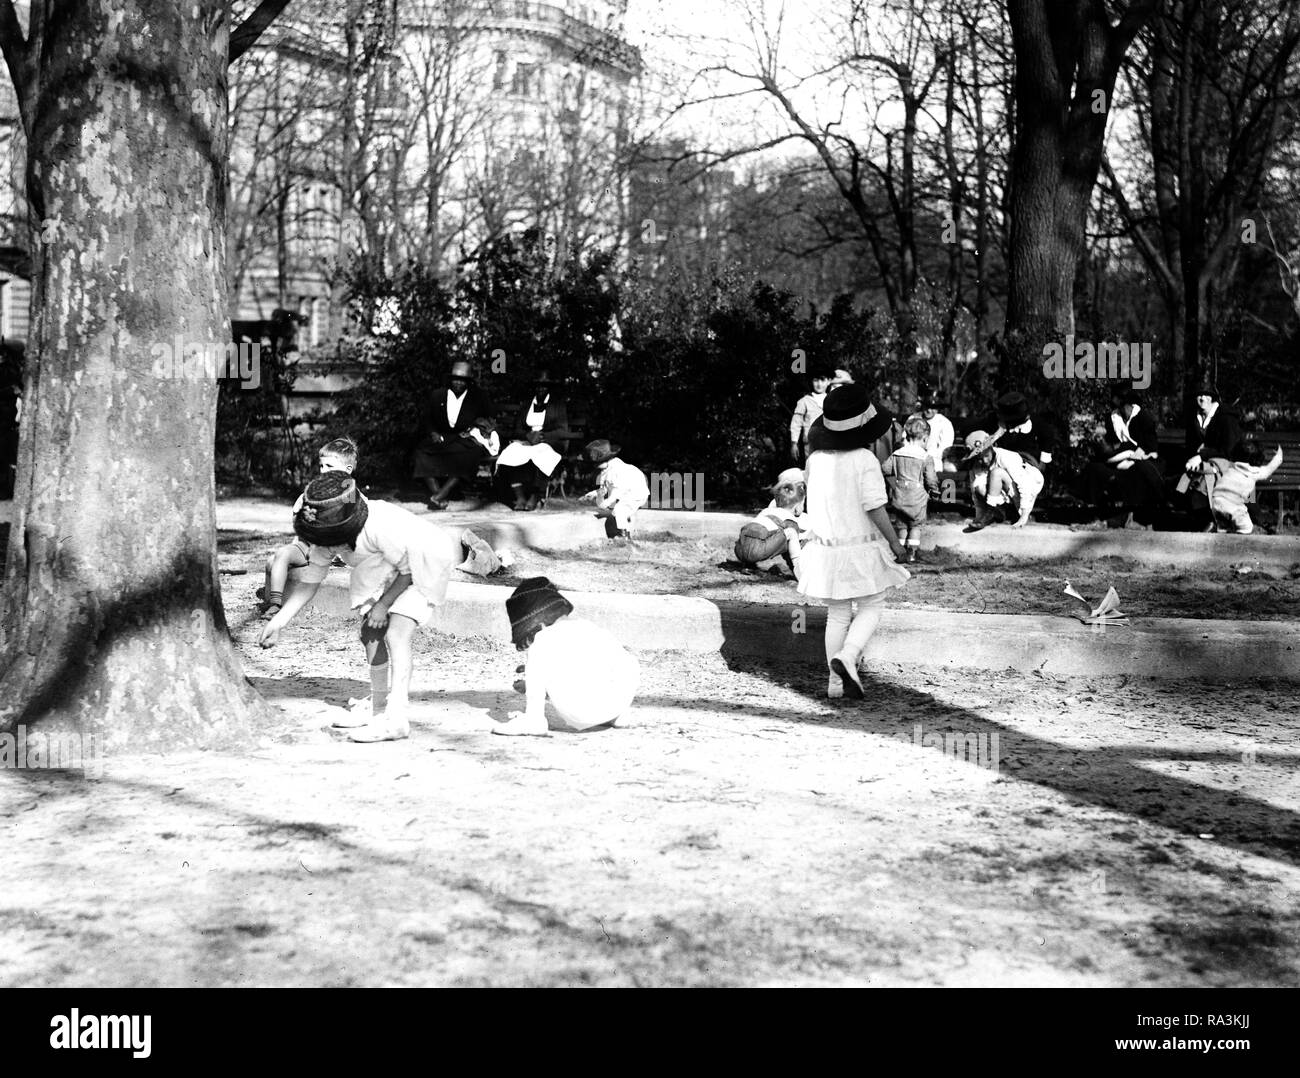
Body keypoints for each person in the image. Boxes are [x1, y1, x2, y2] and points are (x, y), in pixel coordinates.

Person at [257, 472, 463, 743]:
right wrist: (279, 621)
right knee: (370, 633)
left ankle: (397, 718)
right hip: (382, 563)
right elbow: (310, 584)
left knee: (396, 633)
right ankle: (378, 712)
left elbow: (408, 569)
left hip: (424, 557)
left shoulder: (380, 526)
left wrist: (383, 605)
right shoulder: (326, 538)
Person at [799, 383, 910, 700]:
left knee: (837, 614)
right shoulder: (864, 460)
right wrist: (895, 544)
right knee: (872, 605)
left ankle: (834, 685)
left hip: (827, 548)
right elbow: (874, 506)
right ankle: (849, 655)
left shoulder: (816, 460)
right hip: (860, 546)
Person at [493, 577, 641, 736]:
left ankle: (533, 720)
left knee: (539, 648)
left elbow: (567, 681)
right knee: (623, 658)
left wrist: (535, 679)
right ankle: (617, 715)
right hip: (616, 703)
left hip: (581, 712)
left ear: (537, 623)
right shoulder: (590, 628)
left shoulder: (544, 639)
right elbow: (585, 674)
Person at [258, 437, 358, 618]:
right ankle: (274, 603)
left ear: (347, 470)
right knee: (280, 556)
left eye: (329, 466)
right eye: (322, 466)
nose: (323, 471)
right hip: (306, 548)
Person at [413, 359, 495, 510]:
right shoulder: (438, 395)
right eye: (455, 379)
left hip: (464, 438)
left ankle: (442, 493)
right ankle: (437, 494)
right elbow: (427, 418)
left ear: (469, 382)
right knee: (421, 452)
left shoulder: (478, 397)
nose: (458, 383)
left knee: (471, 454)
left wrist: (475, 428)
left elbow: (488, 418)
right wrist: (433, 432)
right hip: (442, 437)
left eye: (462, 380)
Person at [1079, 390, 1165, 528]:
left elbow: (1150, 445)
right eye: (1117, 405)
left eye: (1122, 405)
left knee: (1138, 471)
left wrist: (1136, 455)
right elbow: (1112, 443)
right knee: (1095, 469)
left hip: (1143, 457)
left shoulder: (1144, 417)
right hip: (1119, 456)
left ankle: (1131, 516)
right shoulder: (1112, 418)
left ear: (1130, 404)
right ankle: (1098, 511)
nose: (1119, 409)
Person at [494, 370, 571, 510]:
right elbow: (517, 429)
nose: (540, 389)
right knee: (512, 452)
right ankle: (520, 497)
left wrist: (543, 436)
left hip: (549, 442)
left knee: (543, 454)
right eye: (538, 386)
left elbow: (562, 430)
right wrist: (527, 435)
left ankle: (535, 496)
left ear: (549, 388)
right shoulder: (526, 405)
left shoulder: (557, 405)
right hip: (528, 441)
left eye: (544, 386)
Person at [881, 416, 941, 561]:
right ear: (925, 438)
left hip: (900, 496)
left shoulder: (897, 454)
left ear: (907, 436)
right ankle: (912, 554)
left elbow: (885, 469)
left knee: (901, 525)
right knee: (916, 526)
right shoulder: (926, 458)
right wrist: (934, 490)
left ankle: (900, 553)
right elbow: (931, 479)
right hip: (917, 500)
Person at [732, 467, 810, 576]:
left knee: (760, 531)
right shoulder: (791, 516)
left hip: (740, 548)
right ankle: (799, 571)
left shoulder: (769, 509)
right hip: (758, 549)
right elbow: (787, 541)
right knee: (791, 534)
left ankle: (748, 565)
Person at [962, 429, 1044, 530]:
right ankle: (998, 513)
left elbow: (1024, 484)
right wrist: (979, 517)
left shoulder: (1006, 457)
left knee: (996, 473)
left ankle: (1009, 512)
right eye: (979, 458)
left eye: (986, 456)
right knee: (978, 486)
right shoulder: (976, 466)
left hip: (1029, 483)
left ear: (992, 448)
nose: (984, 461)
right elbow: (976, 494)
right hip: (1007, 486)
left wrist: (1024, 515)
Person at [1203, 443, 1284, 534]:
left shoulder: (1233, 467)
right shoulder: (1253, 472)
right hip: (1233, 505)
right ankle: (1237, 540)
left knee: (1224, 527)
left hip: (1216, 501)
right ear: (1258, 460)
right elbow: (1269, 469)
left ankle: (1216, 529)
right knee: (1247, 527)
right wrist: (1279, 456)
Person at [580, 439, 649, 539]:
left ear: (606, 460)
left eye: (597, 463)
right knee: (619, 510)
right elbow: (604, 487)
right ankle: (624, 530)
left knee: (619, 510)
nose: (595, 466)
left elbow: (616, 492)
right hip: (626, 492)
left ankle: (625, 536)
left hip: (637, 492)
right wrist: (594, 493)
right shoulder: (605, 470)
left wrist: (606, 503)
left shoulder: (618, 470)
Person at [789, 372, 830, 464]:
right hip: (811, 445)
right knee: (813, 470)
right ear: (811, 381)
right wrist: (794, 443)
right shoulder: (804, 401)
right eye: (816, 380)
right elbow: (796, 423)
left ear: (829, 381)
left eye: (822, 380)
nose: (819, 384)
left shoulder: (832, 400)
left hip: (830, 444)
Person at [910, 395, 955, 474]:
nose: (929, 410)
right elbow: (905, 439)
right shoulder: (913, 418)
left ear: (937, 409)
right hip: (912, 457)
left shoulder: (944, 423)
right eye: (927, 407)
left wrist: (929, 455)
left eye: (933, 408)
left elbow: (945, 448)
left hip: (933, 459)